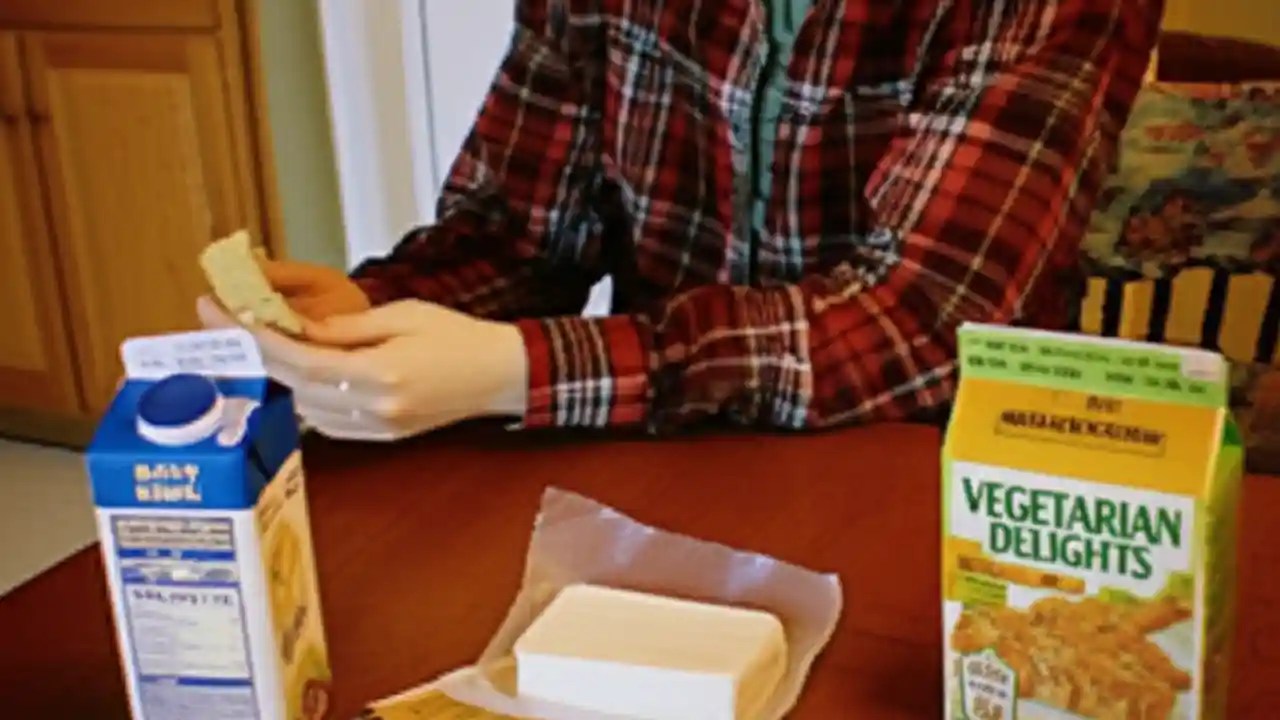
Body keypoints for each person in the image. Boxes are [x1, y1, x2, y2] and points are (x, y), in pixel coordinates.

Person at [199, 0, 1162, 441]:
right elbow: (518, 234)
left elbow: (923, 323)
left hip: (938, 475)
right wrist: (369, 310)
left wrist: (518, 369)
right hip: (652, 453)